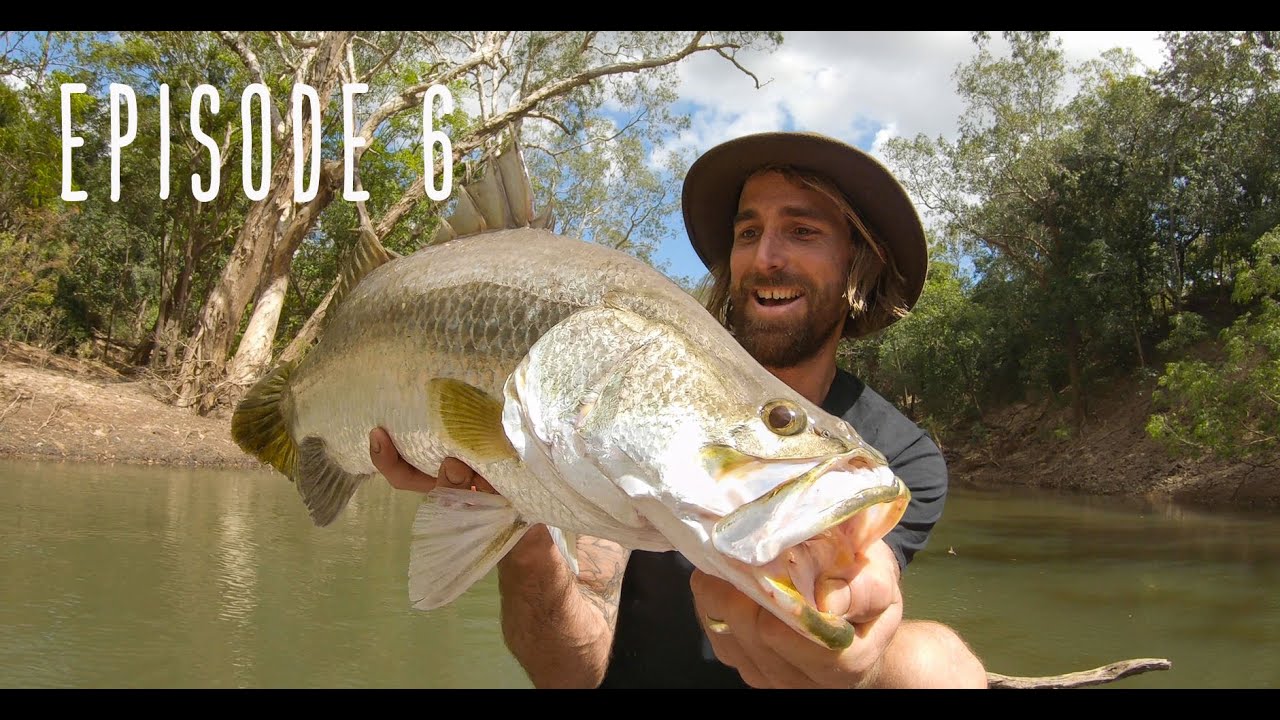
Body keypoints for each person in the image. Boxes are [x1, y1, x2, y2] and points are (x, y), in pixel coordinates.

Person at [367, 131, 988, 689]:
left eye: (802, 231)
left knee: (934, 667)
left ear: (858, 266)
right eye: (747, 233)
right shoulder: (611, 417)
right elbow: (571, 675)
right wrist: (524, 521)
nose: (766, 255)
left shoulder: (896, 459)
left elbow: (863, 583)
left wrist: (862, 641)